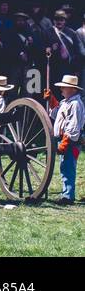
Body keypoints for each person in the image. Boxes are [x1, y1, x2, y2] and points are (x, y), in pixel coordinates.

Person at [53, 74, 82, 204]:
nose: (62, 90)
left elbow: (73, 126)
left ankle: (68, 197)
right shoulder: (66, 102)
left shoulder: (75, 104)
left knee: (68, 167)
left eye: (64, 87)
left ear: (73, 90)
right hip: (64, 139)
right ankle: (67, 193)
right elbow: (57, 116)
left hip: (71, 142)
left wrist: (65, 142)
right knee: (64, 167)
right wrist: (51, 101)